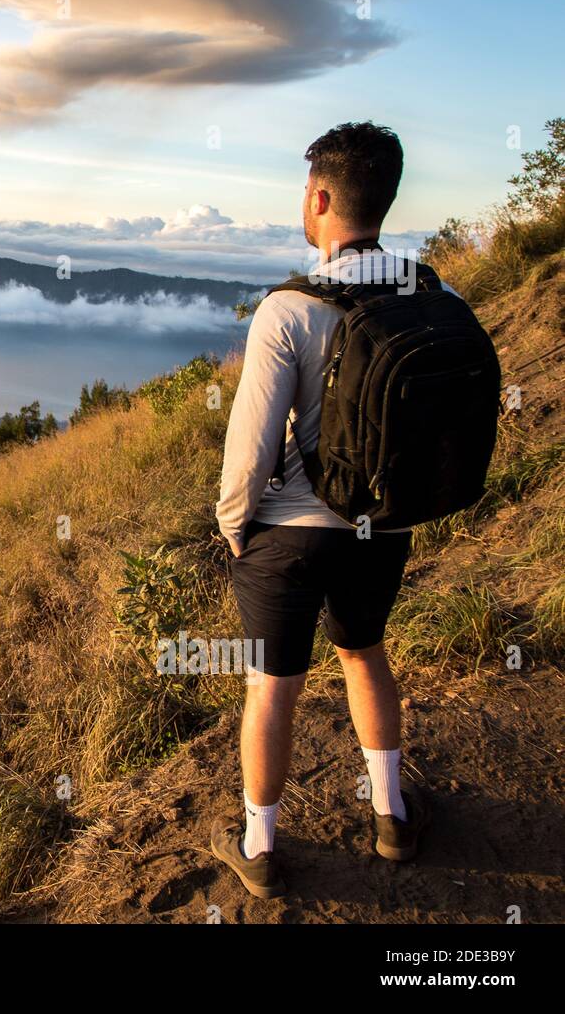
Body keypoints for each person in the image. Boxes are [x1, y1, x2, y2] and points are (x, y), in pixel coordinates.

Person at [211, 122, 444, 899]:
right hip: (385, 526)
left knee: (271, 685)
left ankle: (262, 846)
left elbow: (249, 451)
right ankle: (391, 815)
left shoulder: (289, 308)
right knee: (364, 653)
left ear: (319, 198)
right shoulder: (432, 294)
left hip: (290, 533)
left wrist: (236, 526)